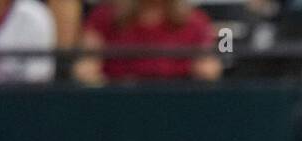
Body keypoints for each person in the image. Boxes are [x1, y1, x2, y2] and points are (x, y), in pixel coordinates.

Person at [76, 0, 221, 83]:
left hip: (177, 108)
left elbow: (209, 70)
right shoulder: (104, 17)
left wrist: (206, 72)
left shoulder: (195, 22)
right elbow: (86, 68)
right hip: (119, 107)